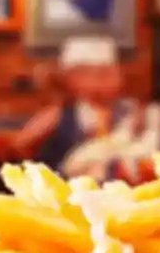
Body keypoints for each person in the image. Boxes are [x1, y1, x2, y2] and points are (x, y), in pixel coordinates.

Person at [12, 35, 135, 177]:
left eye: (108, 73)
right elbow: (20, 148)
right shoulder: (59, 114)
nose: (99, 82)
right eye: (91, 74)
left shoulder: (130, 113)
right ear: (70, 79)